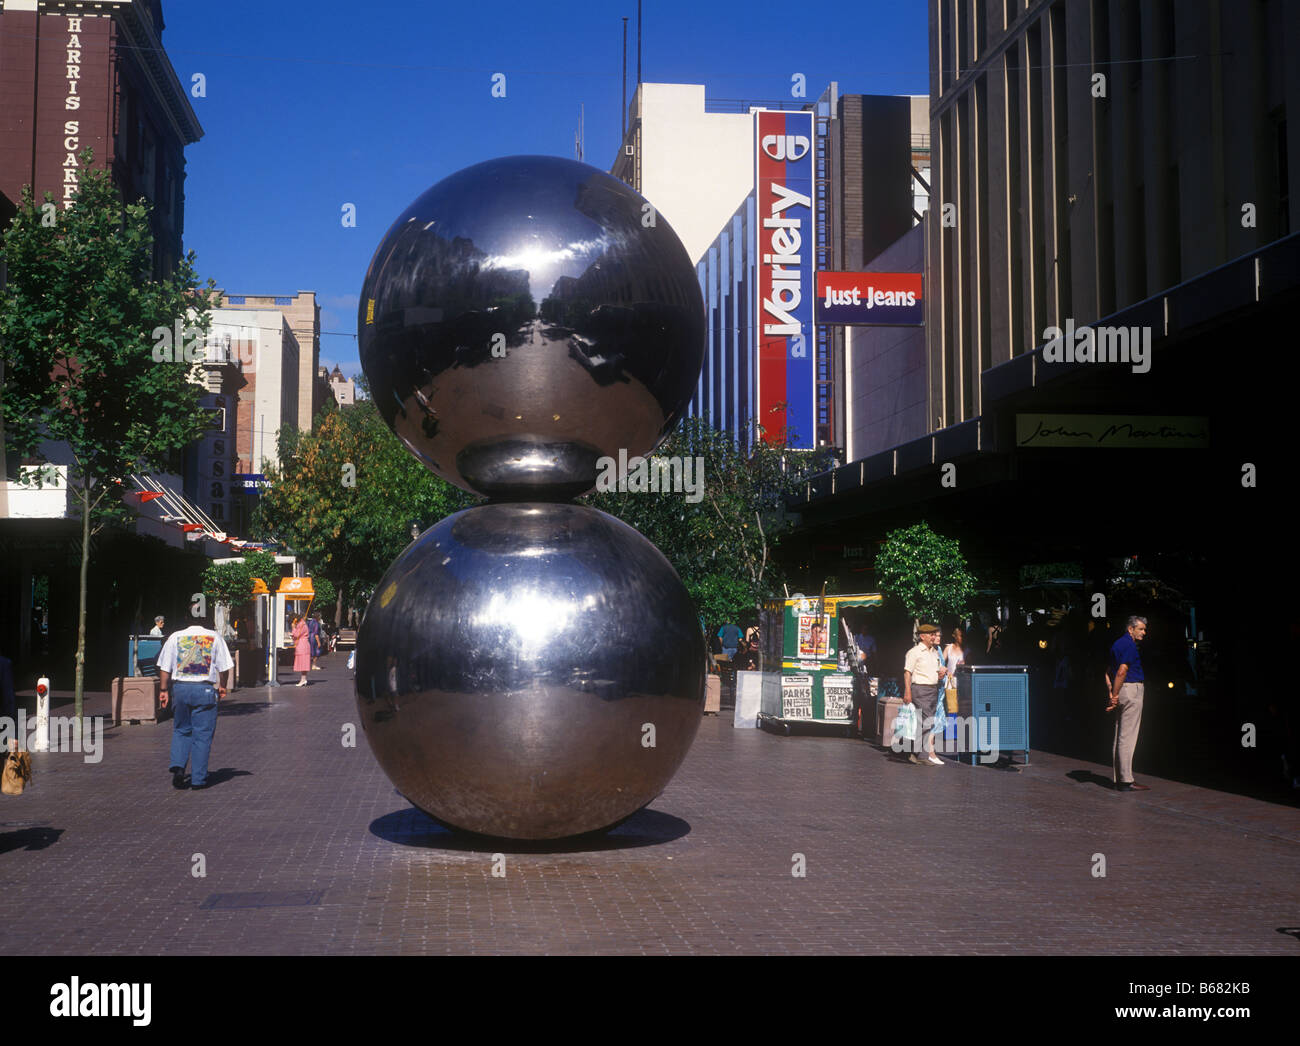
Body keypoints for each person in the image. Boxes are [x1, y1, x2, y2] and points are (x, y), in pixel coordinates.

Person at [157, 615, 233, 790]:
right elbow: (224, 667)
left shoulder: (175, 637)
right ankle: (198, 779)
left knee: (181, 729)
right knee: (202, 735)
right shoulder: (215, 637)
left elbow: (164, 667)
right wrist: (222, 686)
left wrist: (163, 690)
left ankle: (178, 767)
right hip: (204, 689)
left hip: (180, 689)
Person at [1106, 615, 1149, 792]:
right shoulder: (1130, 645)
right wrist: (1114, 694)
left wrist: (1112, 693)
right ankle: (1126, 780)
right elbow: (1122, 671)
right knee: (1127, 737)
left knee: (1119, 735)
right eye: (1141, 629)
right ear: (1130, 629)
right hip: (1131, 690)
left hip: (1122, 691)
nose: (1144, 633)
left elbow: (1108, 671)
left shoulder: (1117, 644)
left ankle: (1119, 778)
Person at [902, 623, 949, 765]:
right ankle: (919, 754)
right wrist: (908, 692)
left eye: (934, 634)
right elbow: (907, 673)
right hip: (920, 689)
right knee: (927, 720)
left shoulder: (934, 652)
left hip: (933, 690)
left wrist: (941, 674)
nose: (933, 636)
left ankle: (916, 753)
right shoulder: (914, 652)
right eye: (931, 634)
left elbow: (934, 671)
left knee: (923, 722)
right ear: (922, 636)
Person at [292, 615, 311, 686]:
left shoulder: (301, 625)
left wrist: (293, 628)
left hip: (302, 645)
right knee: (304, 663)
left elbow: (296, 635)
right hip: (304, 645)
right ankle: (303, 679)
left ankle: (303, 679)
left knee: (303, 663)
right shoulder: (303, 624)